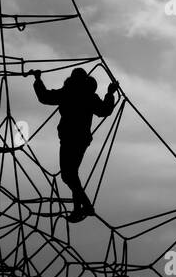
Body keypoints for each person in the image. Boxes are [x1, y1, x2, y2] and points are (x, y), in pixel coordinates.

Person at [29, 67, 119, 222]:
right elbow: (104, 110)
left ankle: (86, 206)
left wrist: (37, 79)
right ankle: (79, 209)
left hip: (70, 138)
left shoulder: (68, 93)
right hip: (80, 139)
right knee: (71, 174)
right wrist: (110, 93)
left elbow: (44, 97)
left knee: (68, 175)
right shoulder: (87, 95)